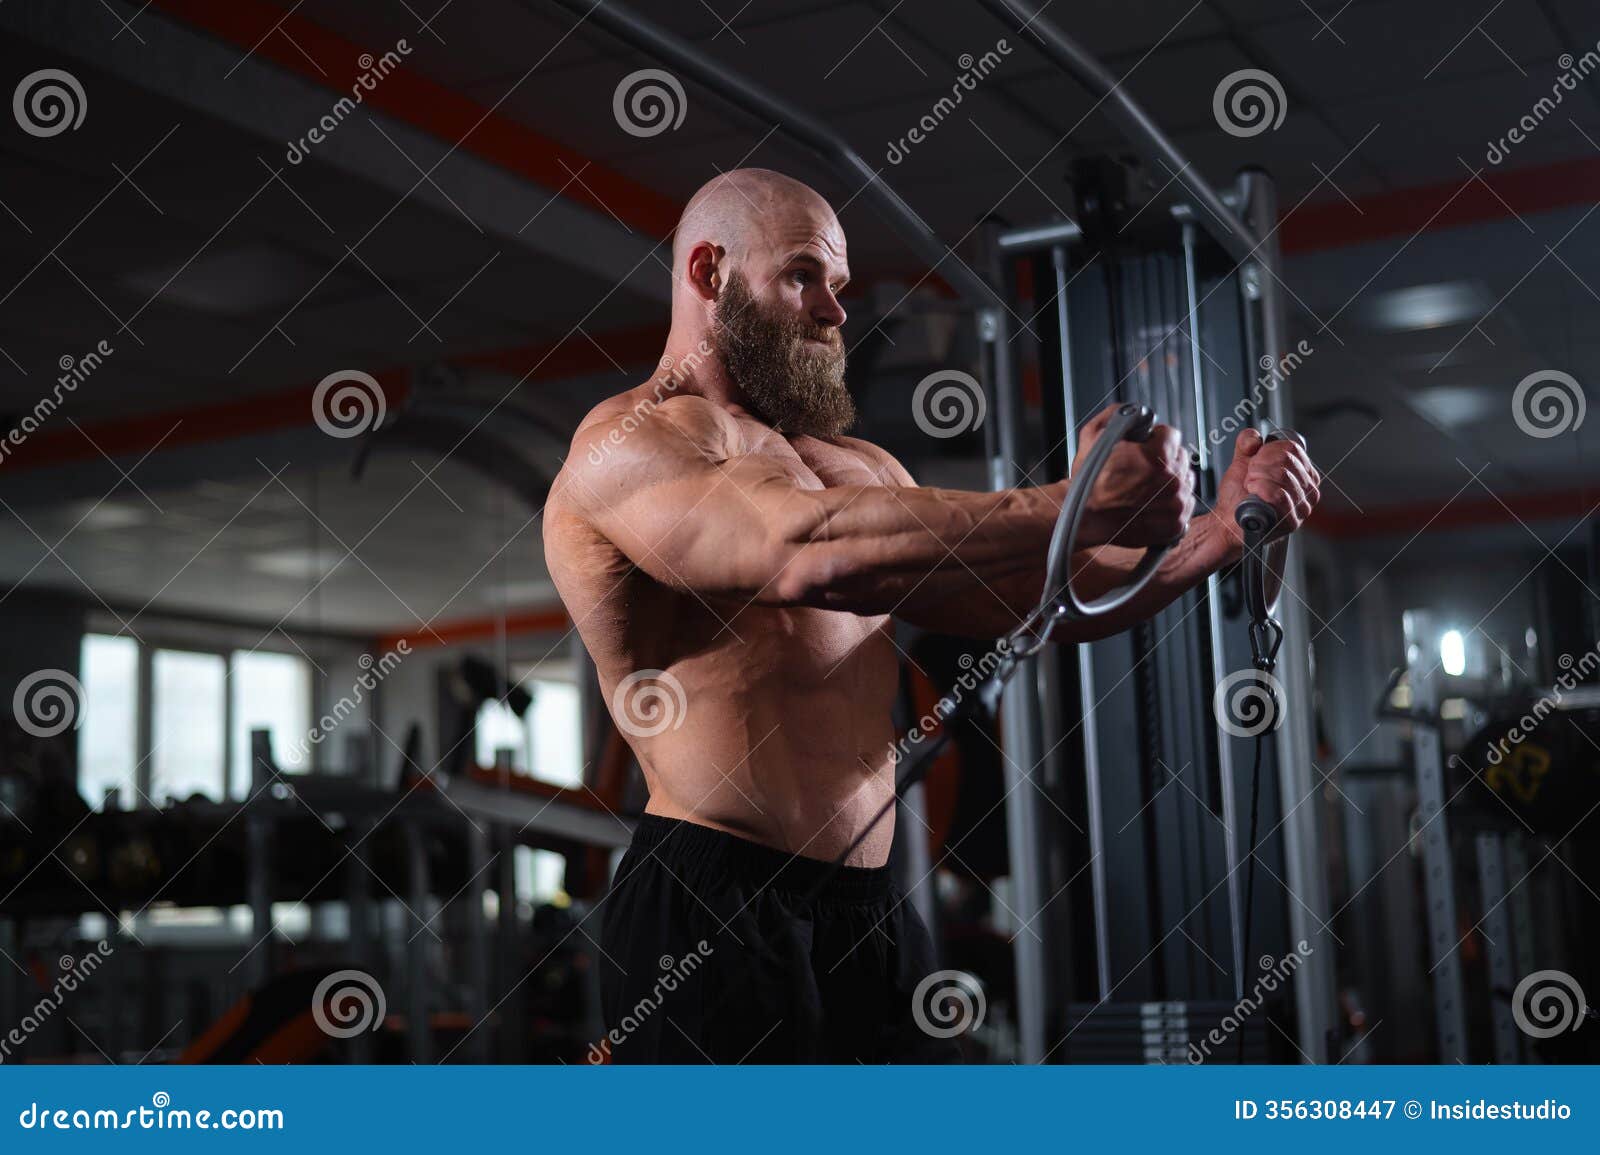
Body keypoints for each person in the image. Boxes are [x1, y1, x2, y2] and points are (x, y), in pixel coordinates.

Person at [543, 168, 1321, 1062]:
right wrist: (1076, 504)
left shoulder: (860, 468)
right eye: (804, 276)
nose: (835, 314)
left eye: (837, 288)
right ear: (709, 272)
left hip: (870, 901)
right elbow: (799, 553)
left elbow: (1035, 603)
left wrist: (1219, 530)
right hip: (713, 903)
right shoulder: (627, 443)